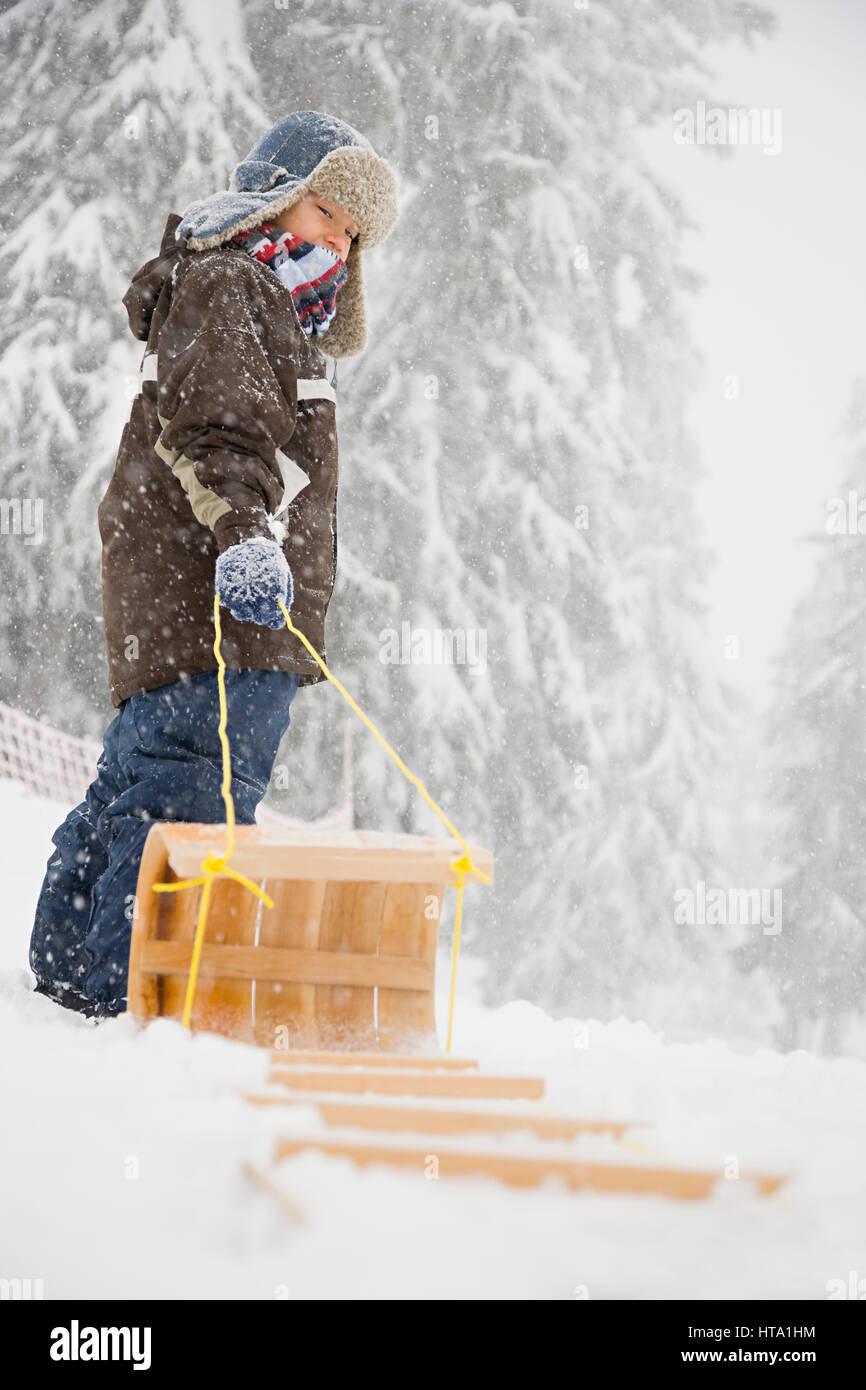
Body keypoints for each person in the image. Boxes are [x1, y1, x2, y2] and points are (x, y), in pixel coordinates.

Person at [28, 110, 399, 1019]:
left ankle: (72, 985)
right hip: (218, 607)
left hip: (201, 612)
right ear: (274, 197)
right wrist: (245, 539)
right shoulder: (239, 280)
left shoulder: (259, 299)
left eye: (353, 233)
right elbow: (219, 429)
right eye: (328, 214)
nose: (341, 243)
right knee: (191, 810)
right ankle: (139, 1008)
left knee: (143, 787)